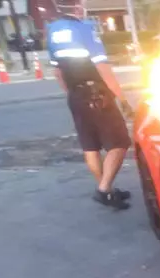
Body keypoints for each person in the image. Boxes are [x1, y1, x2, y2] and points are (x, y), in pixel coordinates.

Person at [46, 6, 134, 210]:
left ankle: (108, 191)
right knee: (119, 142)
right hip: (96, 94)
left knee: (90, 145)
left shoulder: (52, 30)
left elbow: (58, 72)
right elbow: (102, 68)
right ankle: (104, 190)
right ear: (78, 6)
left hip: (75, 95)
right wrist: (122, 99)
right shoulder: (85, 28)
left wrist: (73, 93)